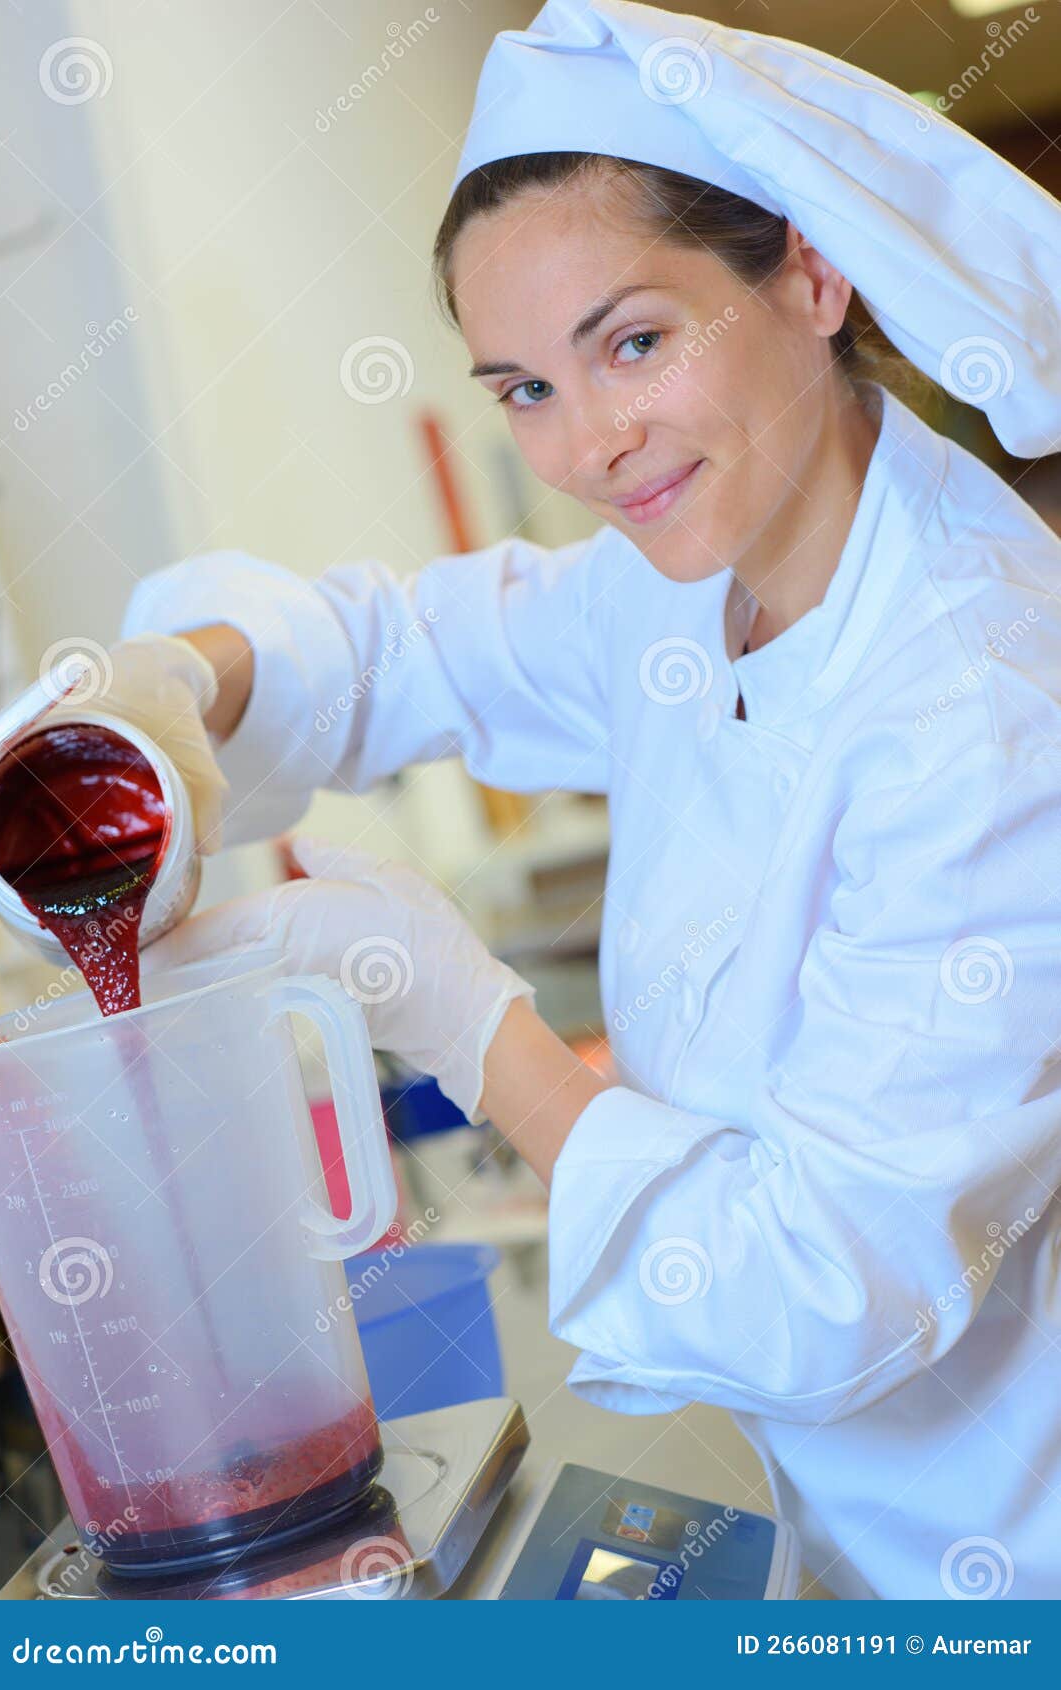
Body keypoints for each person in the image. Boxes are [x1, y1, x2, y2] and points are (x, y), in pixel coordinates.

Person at [94, 0, 1061, 1599]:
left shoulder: (986, 708)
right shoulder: (694, 579)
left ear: (811, 276)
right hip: (862, 1551)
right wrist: (176, 682)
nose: (595, 445)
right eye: (525, 388)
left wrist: (468, 1023)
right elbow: (412, 647)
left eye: (635, 341)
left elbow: (825, 1285)